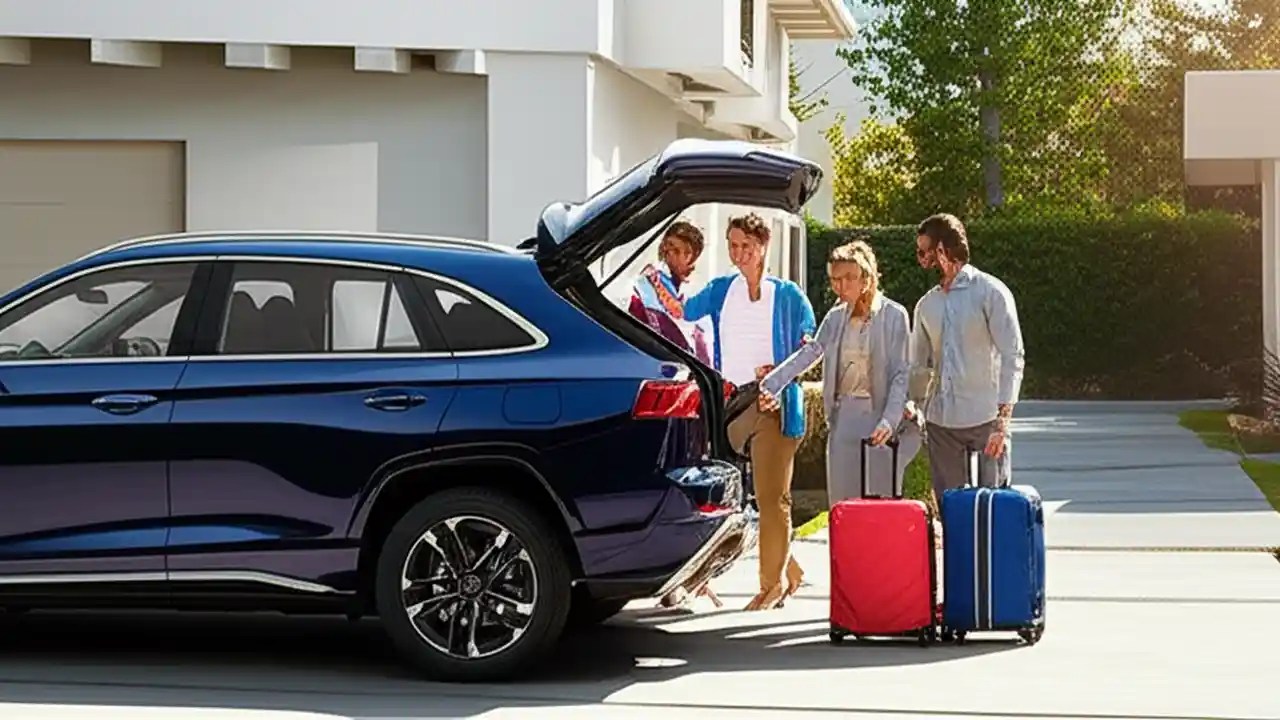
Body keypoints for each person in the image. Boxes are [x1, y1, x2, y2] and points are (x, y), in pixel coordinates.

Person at [653, 212, 816, 611]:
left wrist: (778, 377)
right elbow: (682, 310)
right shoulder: (723, 289)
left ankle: (770, 586)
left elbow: (811, 348)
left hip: (771, 404)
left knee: (771, 497)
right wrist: (657, 279)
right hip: (731, 406)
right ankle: (789, 571)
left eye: (746, 245)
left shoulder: (789, 295)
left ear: (764, 247)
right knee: (743, 501)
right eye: (733, 245)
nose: (738, 253)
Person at [764, 240, 923, 502]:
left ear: (867, 277)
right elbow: (811, 353)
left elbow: (900, 373)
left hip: (878, 419)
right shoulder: (835, 317)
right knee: (842, 503)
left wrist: (889, 420)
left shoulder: (894, 315)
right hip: (843, 420)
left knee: (877, 505)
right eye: (835, 279)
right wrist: (771, 384)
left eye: (848, 278)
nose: (841, 286)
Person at [909, 213, 1026, 517]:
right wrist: (915, 408)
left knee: (995, 512)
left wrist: (1003, 421)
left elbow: (1012, 355)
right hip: (941, 423)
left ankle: (992, 566)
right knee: (952, 513)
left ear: (943, 250)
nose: (920, 259)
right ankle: (958, 565)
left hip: (987, 419)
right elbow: (917, 367)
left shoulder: (991, 293)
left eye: (924, 251)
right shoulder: (926, 305)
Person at [629, 220, 713, 365]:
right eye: (668, 247)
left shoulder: (694, 289)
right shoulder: (649, 281)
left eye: (682, 251)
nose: (670, 254)